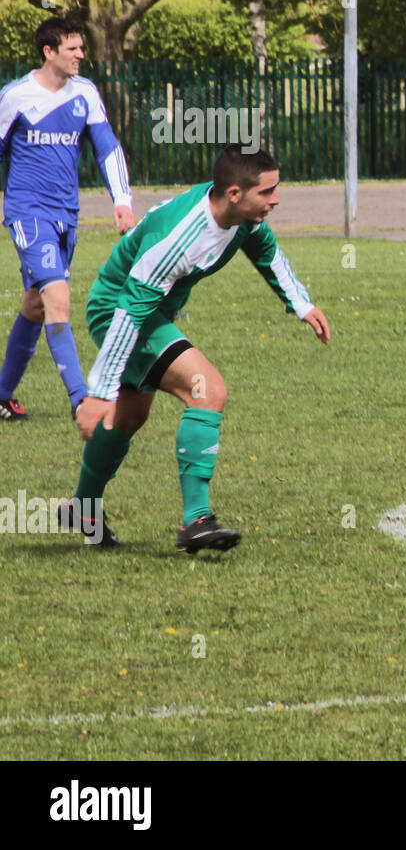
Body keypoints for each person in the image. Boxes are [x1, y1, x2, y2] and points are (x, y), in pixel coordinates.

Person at [63, 145, 330, 551]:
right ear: (236, 193)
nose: (276, 200)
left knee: (131, 416)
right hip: (119, 309)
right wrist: (98, 392)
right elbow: (130, 312)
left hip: (148, 311)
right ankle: (197, 521)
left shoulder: (240, 216)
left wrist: (300, 303)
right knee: (206, 389)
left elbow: (264, 248)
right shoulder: (179, 237)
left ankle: (82, 508)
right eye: (268, 192)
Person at [0, 17, 134, 421]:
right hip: (28, 213)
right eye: (73, 48)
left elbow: (107, 147)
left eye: (80, 47)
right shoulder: (16, 97)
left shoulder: (85, 94)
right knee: (58, 299)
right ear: (49, 52)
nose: (81, 54)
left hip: (66, 215)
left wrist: (122, 200)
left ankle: (2, 395)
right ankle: (82, 400)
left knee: (35, 306)